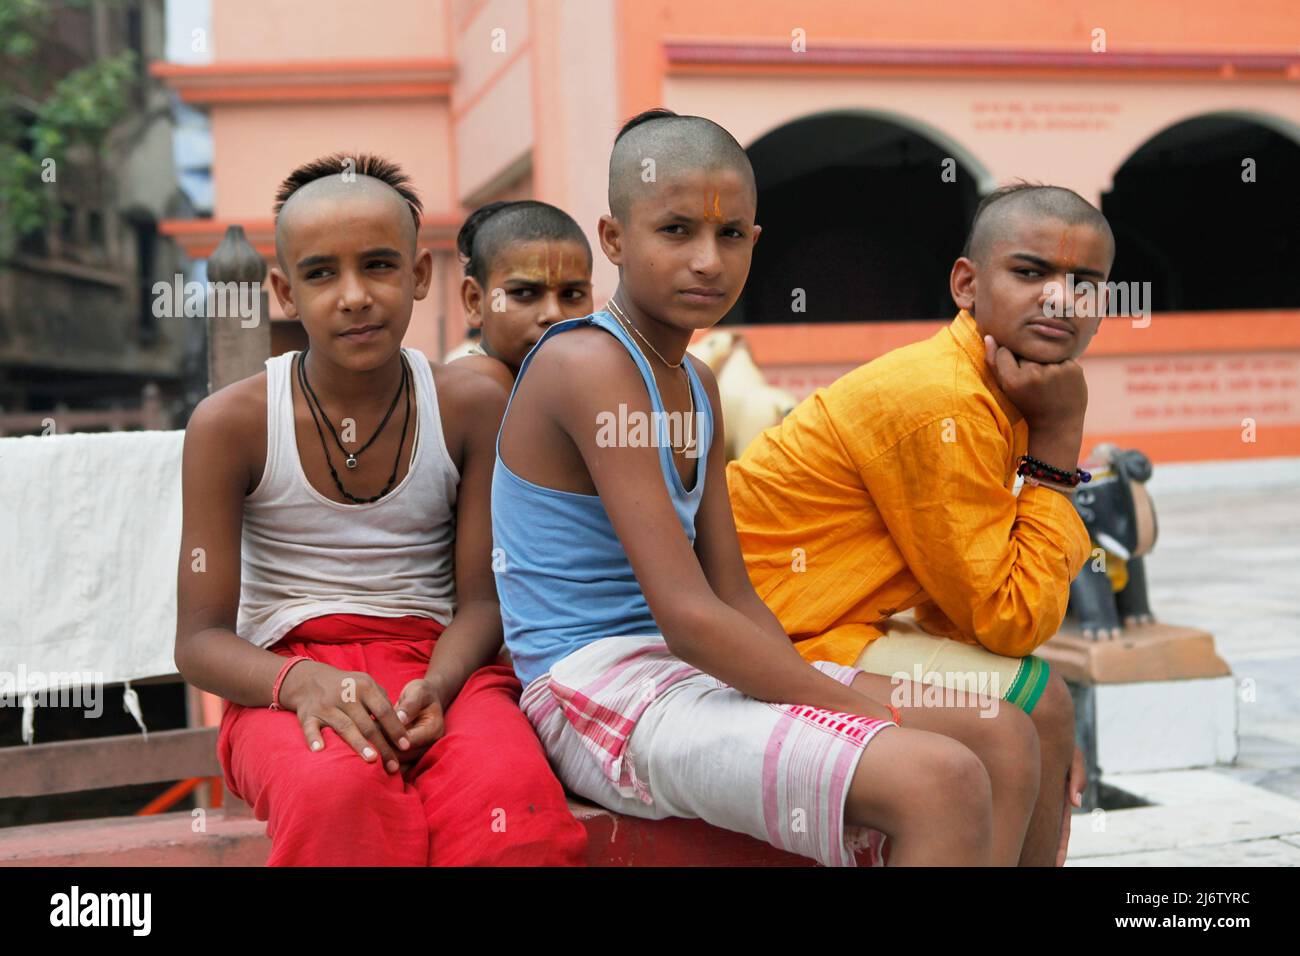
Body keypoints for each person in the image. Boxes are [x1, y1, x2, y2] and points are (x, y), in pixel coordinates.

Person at [492, 110, 1043, 867]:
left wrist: (822, 686)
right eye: (676, 230)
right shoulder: (587, 366)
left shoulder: (699, 383)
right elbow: (687, 616)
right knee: (937, 776)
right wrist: (854, 711)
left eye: (730, 236)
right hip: (596, 689)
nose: (706, 261)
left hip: (691, 664)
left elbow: (735, 594)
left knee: (1002, 733)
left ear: (755, 241)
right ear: (615, 240)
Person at [174, 153, 587, 866]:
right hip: (288, 678)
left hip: (443, 666)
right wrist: (301, 683)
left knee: (511, 809)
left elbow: (484, 602)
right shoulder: (231, 424)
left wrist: (439, 684)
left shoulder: (469, 406)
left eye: (379, 265)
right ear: (284, 290)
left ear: (421, 275)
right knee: (339, 799)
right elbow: (199, 641)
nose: (355, 296)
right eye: (321, 274)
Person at [728, 182, 1112, 865]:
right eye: (1030, 272)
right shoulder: (947, 399)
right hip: (774, 627)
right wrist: (1059, 443)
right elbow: (1010, 615)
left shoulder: (993, 382)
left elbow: (969, 592)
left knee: (1041, 699)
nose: (1060, 298)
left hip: (829, 612)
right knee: (1037, 700)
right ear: (966, 282)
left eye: (1085, 282)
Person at [450, 200, 593, 388]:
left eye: (572, 294)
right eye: (524, 293)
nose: (554, 314)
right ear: (474, 302)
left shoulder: (597, 388)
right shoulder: (460, 394)